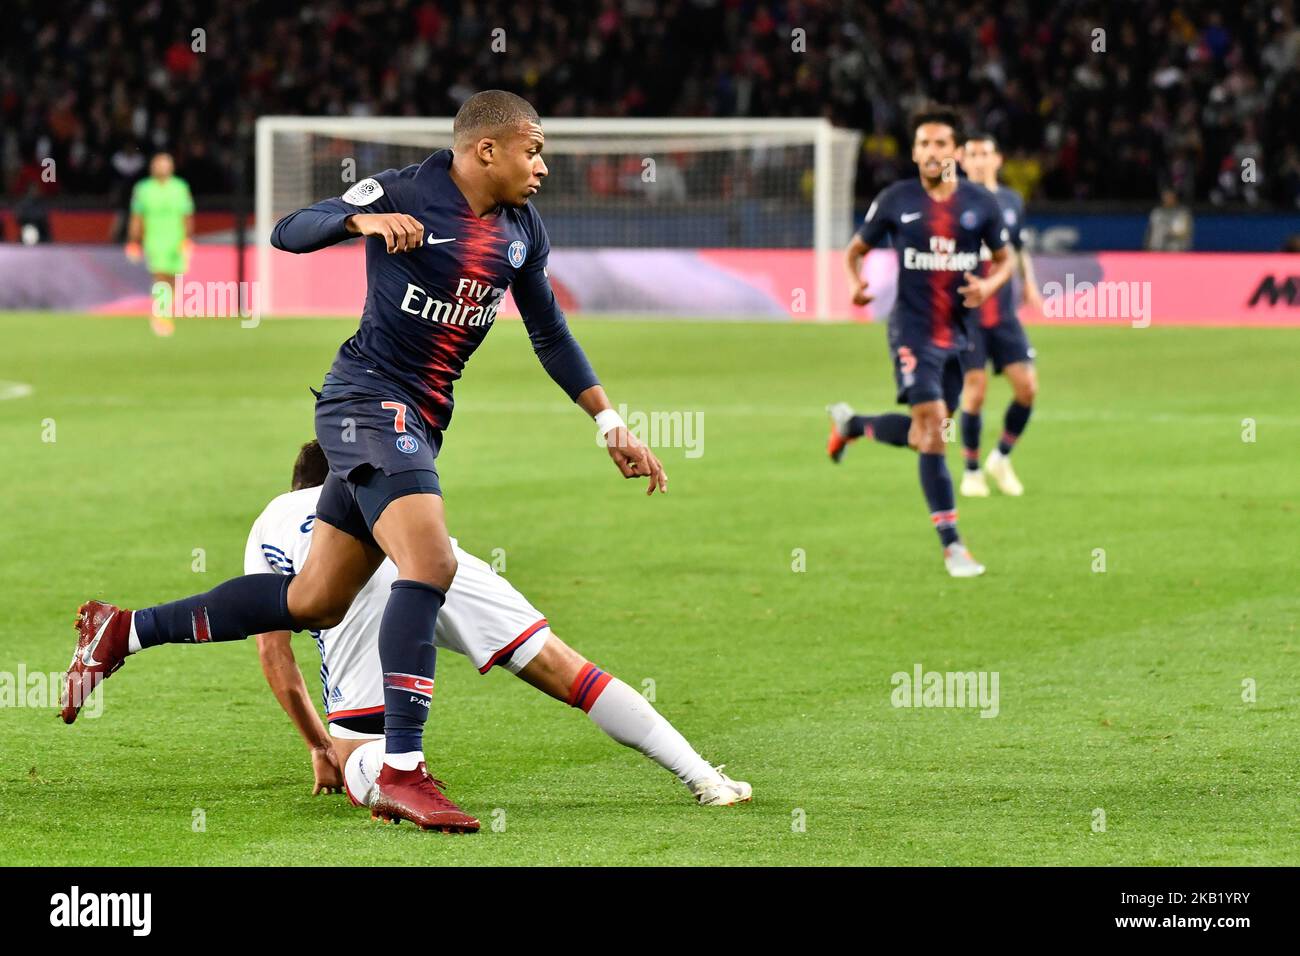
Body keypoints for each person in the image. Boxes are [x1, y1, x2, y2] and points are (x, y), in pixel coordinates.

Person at [61, 91, 668, 834]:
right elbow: (291, 230)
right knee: (430, 561)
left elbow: (549, 333)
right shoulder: (406, 190)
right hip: (367, 401)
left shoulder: (520, 229)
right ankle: (402, 770)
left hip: (420, 419)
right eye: (532, 150)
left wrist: (608, 420)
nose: (541, 166)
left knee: (316, 600)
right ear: (485, 150)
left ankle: (123, 630)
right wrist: (359, 219)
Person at [256, 441, 750, 810]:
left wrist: (321, 747)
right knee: (570, 672)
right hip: (433, 560)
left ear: (297, 486)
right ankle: (704, 778)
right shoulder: (376, 482)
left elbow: (274, 654)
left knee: (358, 763)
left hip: (359, 587)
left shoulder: (274, 517)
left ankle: (404, 777)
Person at [827, 107, 1014, 578]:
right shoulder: (896, 199)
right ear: (914, 152)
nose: (931, 153)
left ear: (955, 152)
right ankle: (953, 545)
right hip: (911, 330)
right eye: (923, 144)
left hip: (959, 333)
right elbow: (855, 251)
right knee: (932, 430)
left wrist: (989, 288)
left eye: (940, 144)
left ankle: (853, 425)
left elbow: (1005, 259)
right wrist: (854, 282)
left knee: (923, 435)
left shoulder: (980, 206)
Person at [955, 133, 1041, 498]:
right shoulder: (952, 201)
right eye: (972, 154)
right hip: (969, 311)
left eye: (984, 153)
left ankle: (1000, 457)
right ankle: (971, 470)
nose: (978, 160)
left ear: (997, 159)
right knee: (974, 394)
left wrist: (1030, 284)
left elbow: (1017, 247)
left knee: (1027, 387)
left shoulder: (1011, 201)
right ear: (962, 160)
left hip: (1004, 311)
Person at [126, 152, 194, 337]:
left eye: (166, 164)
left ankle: (164, 311)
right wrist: (133, 241)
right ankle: (161, 315)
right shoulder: (143, 189)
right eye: (159, 164)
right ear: (152, 167)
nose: (162, 168)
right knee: (160, 276)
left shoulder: (180, 187)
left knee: (173, 280)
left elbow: (187, 215)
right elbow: (137, 217)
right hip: (154, 240)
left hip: (176, 240)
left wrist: (187, 239)